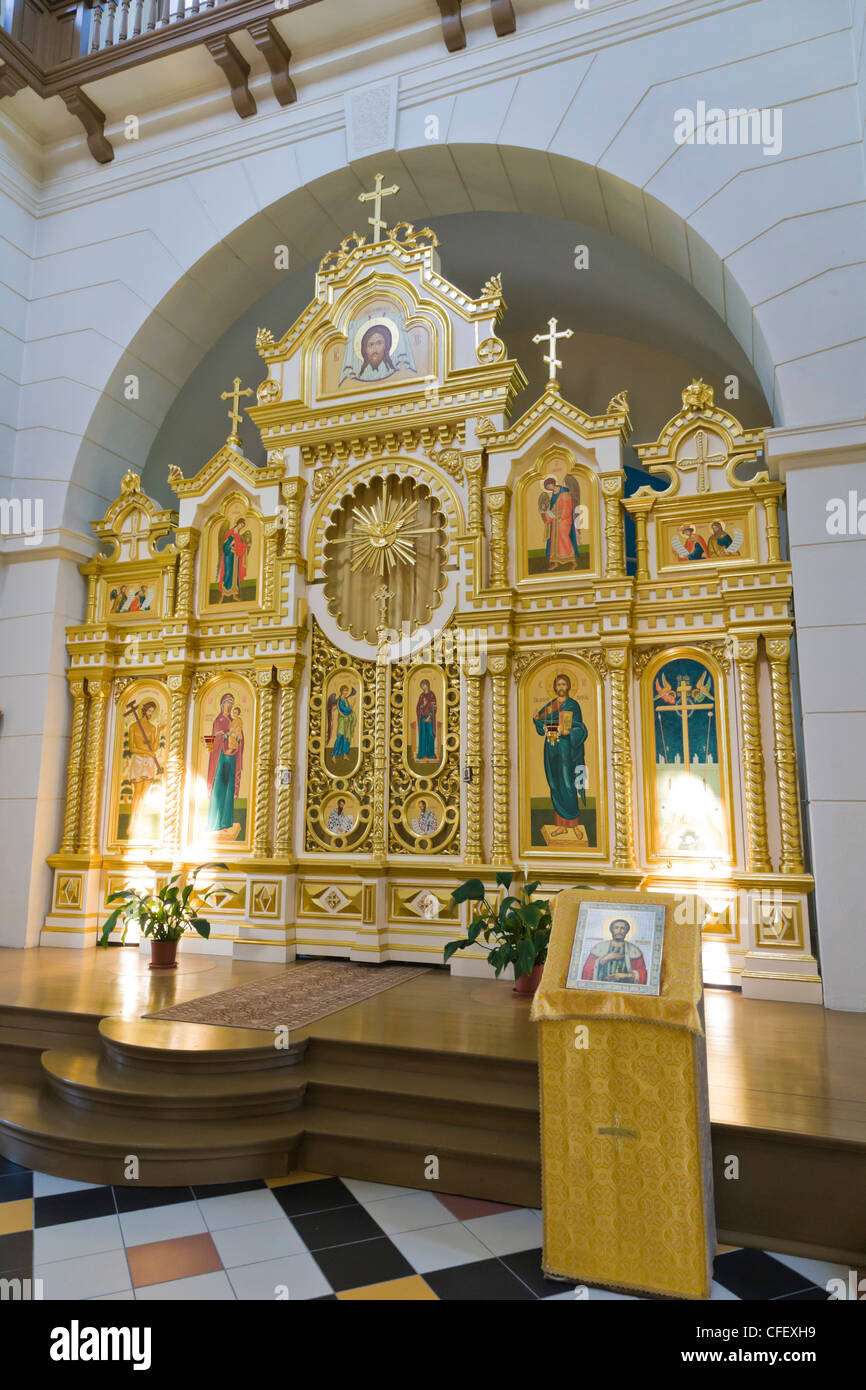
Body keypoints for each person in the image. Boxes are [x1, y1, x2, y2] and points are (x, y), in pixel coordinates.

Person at [533, 672, 588, 831]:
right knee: (554, 783)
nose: (561, 687)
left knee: (567, 782)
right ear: (555, 687)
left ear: (568, 686)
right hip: (551, 747)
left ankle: (574, 825)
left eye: (564, 684)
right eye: (558, 685)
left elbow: (580, 728)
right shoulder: (551, 705)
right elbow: (540, 721)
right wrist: (536, 719)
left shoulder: (573, 705)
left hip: (566, 748)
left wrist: (569, 732)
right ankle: (561, 826)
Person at [206, 693, 243, 831]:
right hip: (221, 758)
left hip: (231, 757)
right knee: (220, 788)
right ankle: (215, 822)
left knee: (229, 789)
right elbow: (214, 738)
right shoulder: (219, 720)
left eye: (231, 703)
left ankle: (226, 822)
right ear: (222, 704)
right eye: (227, 703)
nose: (230, 705)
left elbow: (239, 735)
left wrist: (239, 738)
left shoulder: (233, 720)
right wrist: (225, 735)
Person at [126, 700, 160, 838]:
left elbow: (155, 747)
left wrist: (159, 732)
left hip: (149, 762)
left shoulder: (152, 728)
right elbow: (132, 748)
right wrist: (146, 753)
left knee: (145, 795)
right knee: (137, 794)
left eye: (152, 711)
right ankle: (131, 823)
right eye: (149, 711)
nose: (150, 714)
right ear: (144, 710)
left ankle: (140, 824)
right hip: (139, 760)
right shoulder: (134, 726)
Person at [581, 918, 647, 984]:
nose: (619, 931)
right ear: (611, 930)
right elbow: (587, 970)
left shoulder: (634, 950)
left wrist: (626, 975)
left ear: (626, 931)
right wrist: (606, 958)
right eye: (616, 928)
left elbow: (643, 973)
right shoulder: (599, 948)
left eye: (623, 928)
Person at [540, 476, 581, 569]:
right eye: (547, 488)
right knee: (554, 541)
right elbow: (552, 509)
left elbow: (568, 507)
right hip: (555, 521)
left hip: (563, 520)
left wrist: (561, 517)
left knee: (564, 538)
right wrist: (545, 513)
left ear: (552, 483)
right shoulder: (553, 495)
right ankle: (555, 562)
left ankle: (572, 560)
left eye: (548, 486)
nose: (548, 488)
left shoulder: (564, 492)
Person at [327, 685, 356, 760]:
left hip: (347, 721)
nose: (346, 692)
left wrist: (351, 713)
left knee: (346, 738)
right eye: (345, 691)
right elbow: (343, 709)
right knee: (340, 737)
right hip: (342, 721)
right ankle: (334, 755)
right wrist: (351, 707)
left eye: (347, 691)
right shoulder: (340, 700)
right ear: (341, 691)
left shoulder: (346, 700)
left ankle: (345, 754)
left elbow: (349, 711)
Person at [414, 679, 437, 762]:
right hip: (422, 717)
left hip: (430, 718)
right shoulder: (421, 696)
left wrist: (429, 717)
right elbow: (418, 708)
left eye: (424, 685)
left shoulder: (432, 695)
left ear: (428, 685)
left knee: (430, 734)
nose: (423, 687)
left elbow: (434, 707)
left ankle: (430, 753)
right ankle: (422, 753)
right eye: (422, 685)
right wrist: (423, 705)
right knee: (423, 735)